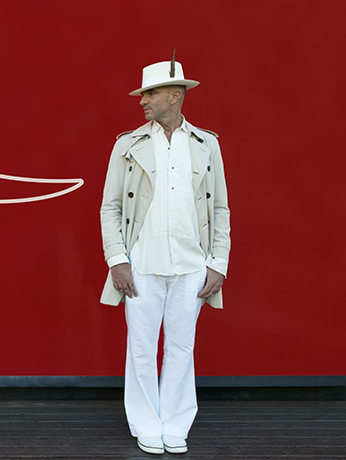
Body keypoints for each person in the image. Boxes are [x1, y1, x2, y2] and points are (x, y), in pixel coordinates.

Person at [99, 57, 230, 455]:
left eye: (151, 93)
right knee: (140, 347)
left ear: (176, 96)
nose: (143, 101)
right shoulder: (128, 144)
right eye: (144, 94)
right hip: (141, 265)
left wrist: (218, 263)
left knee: (181, 347)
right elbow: (111, 207)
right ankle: (145, 423)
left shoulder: (207, 144)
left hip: (192, 265)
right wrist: (117, 259)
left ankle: (175, 424)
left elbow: (220, 208)